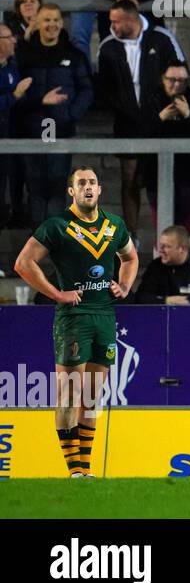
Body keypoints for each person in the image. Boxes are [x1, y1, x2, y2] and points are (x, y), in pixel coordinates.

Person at [13, 166, 138, 477]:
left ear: (99, 190)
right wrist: (57, 293)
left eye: (93, 182)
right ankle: (74, 470)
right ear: (71, 191)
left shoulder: (113, 225)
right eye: (81, 182)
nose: (88, 187)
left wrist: (123, 285)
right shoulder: (57, 226)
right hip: (74, 318)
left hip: (105, 315)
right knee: (70, 392)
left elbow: (131, 257)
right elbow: (23, 263)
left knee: (93, 395)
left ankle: (86, 469)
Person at [96, 0, 185, 235]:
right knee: (129, 179)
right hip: (128, 123)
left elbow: (180, 74)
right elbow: (104, 88)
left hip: (162, 121)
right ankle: (131, 238)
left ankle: (167, 238)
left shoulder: (162, 38)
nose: (111, 26)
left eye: (115, 21)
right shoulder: (107, 47)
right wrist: (124, 108)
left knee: (162, 180)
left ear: (130, 19)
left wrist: (163, 110)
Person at [12, 4, 92, 223]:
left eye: (56, 19)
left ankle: (55, 241)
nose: (52, 25)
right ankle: (39, 240)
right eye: (47, 20)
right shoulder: (22, 54)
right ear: (37, 23)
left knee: (58, 186)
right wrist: (36, 104)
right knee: (35, 185)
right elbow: (15, 93)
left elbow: (86, 89)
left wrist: (70, 114)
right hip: (30, 131)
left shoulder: (74, 55)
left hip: (62, 131)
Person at [139, 60, 190, 239]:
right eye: (171, 80)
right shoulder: (150, 102)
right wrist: (160, 118)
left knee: (186, 233)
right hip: (157, 176)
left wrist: (188, 115)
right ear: (162, 79)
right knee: (163, 233)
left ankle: (185, 266)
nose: (176, 85)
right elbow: (140, 134)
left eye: (181, 81)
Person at [135, 224, 190, 304]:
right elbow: (141, 297)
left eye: (166, 246)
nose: (160, 250)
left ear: (181, 249)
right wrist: (166, 301)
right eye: (160, 245)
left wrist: (189, 301)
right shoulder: (156, 266)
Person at [0, 22, 28, 228]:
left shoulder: (11, 68)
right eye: (8, 37)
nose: (13, 40)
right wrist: (14, 95)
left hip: (8, 139)